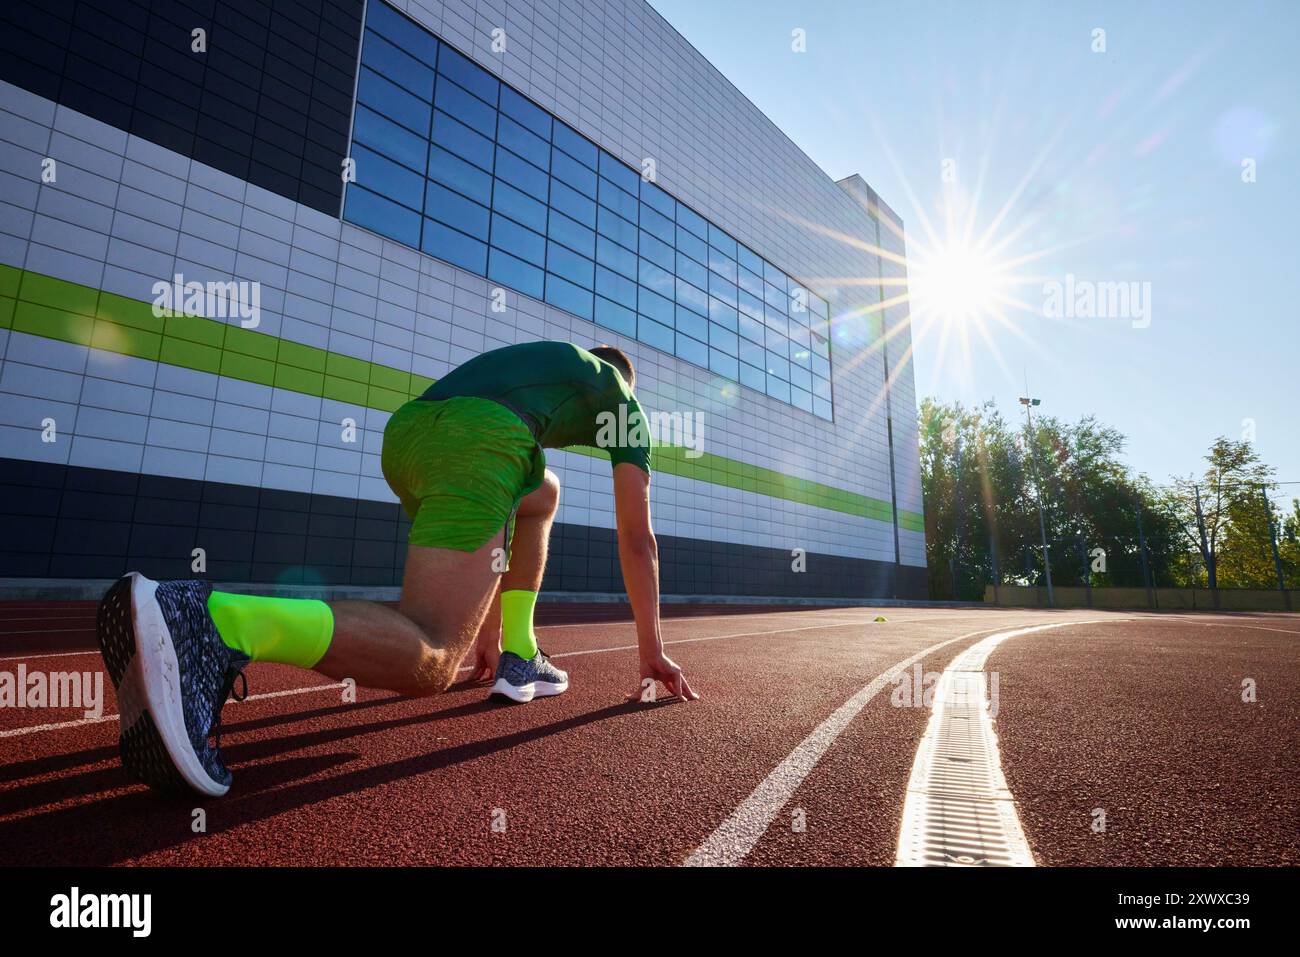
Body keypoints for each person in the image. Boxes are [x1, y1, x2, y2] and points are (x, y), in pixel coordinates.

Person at [95, 341, 698, 797]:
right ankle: (213, 620)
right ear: (625, 378)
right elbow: (636, 538)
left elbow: (505, 491)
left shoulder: (553, 370)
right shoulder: (621, 398)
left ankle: (517, 648)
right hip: (479, 438)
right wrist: (651, 648)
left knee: (540, 490)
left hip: (409, 436)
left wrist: (487, 624)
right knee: (433, 655)